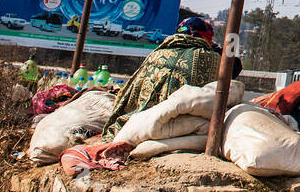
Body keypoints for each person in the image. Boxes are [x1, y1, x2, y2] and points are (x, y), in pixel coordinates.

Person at [100, 16, 240, 140]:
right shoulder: (211, 58)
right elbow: (234, 69)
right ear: (204, 37)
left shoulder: (156, 53)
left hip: (135, 122)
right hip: (178, 125)